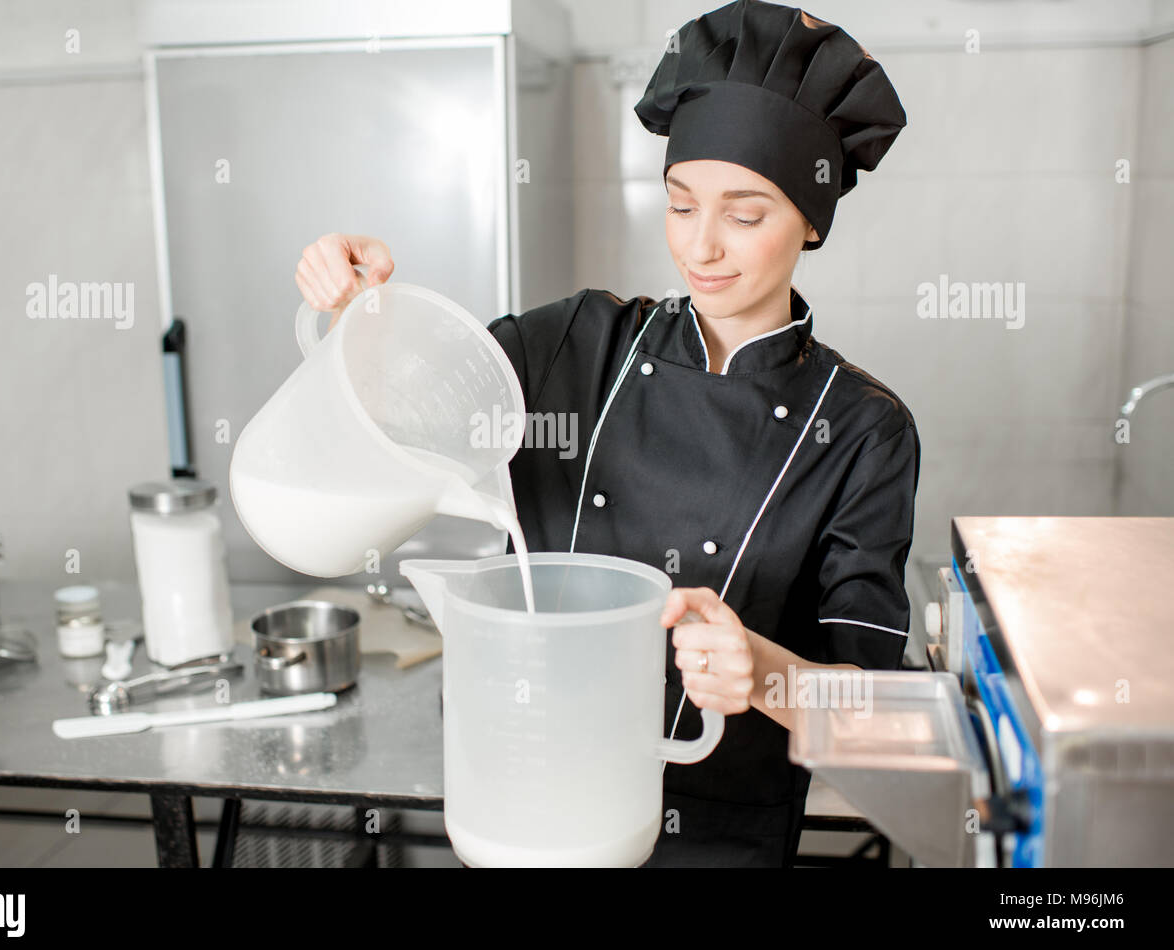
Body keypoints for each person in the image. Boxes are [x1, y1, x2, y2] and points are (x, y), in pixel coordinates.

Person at [293, 0, 918, 867]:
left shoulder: (861, 430)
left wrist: (766, 673)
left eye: (744, 214)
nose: (701, 246)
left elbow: (884, 716)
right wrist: (366, 309)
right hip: (532, 804)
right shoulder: (578, 343)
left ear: (810, 221)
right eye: (679, 203)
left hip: (721, 838)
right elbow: (407, 406)